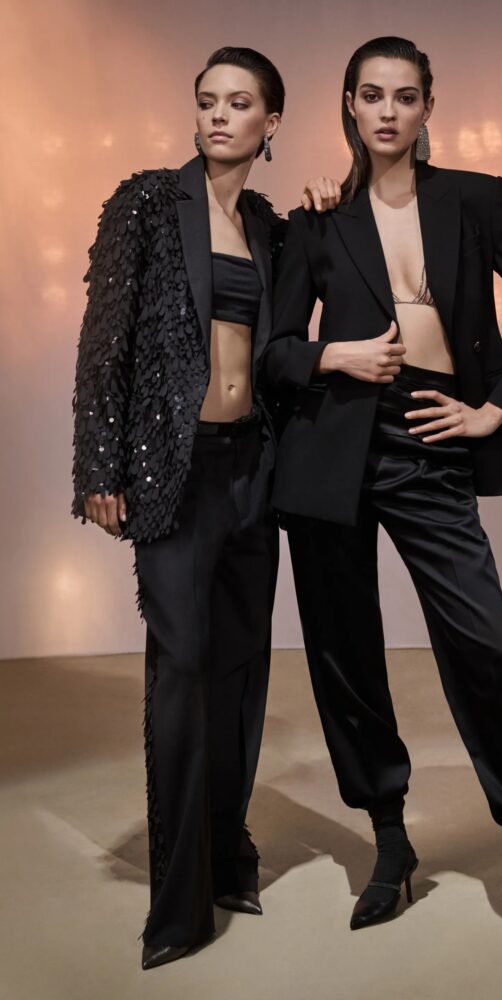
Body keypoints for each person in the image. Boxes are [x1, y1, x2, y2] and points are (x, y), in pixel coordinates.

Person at [261, 36, 502, 955]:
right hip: (330, 454)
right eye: (370, 94)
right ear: (348, 105)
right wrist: (331, 356)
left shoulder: (473, 198)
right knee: (344, 653)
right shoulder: (316, 218)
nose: (387, 111)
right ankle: (389, 839)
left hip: (430, 444)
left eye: (405, 95)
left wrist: (493, 410)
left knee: (485, 643)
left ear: (428, 107)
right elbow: (274, 352)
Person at [71, 45, 339, 970]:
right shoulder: (147, 203)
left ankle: (229, 855)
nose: (219, 116)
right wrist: (98, 466)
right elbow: (103, 342)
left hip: (251, 469)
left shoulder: (269, 225)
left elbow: (291, 334)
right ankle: (177, 900)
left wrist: (330, 203)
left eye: (239, 103)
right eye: (207, 101)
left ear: (271, 122)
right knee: (181, 672)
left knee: (240, 670)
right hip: (173, 472)